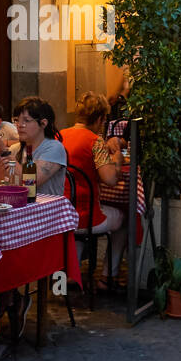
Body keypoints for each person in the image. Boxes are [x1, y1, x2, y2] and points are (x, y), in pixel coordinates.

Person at [60, 92, 126, 290]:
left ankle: (70, 274)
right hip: (86, 217)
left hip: (61, 215)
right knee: (125, 218)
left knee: (76, 224)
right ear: (99, 119)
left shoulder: (59, 136)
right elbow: (111, 179)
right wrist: (117, 159)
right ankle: (107, 277)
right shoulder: (94, 141)